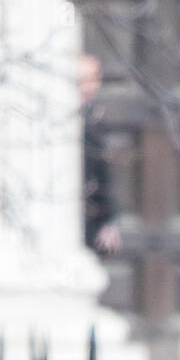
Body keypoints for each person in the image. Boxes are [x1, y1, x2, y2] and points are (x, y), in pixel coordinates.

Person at [80, 53, 122, 256]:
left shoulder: (94, 115)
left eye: (94, 79)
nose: (89, 87)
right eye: (81, 81)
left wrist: (109, 220)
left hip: (93, 221)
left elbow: (103, 173)